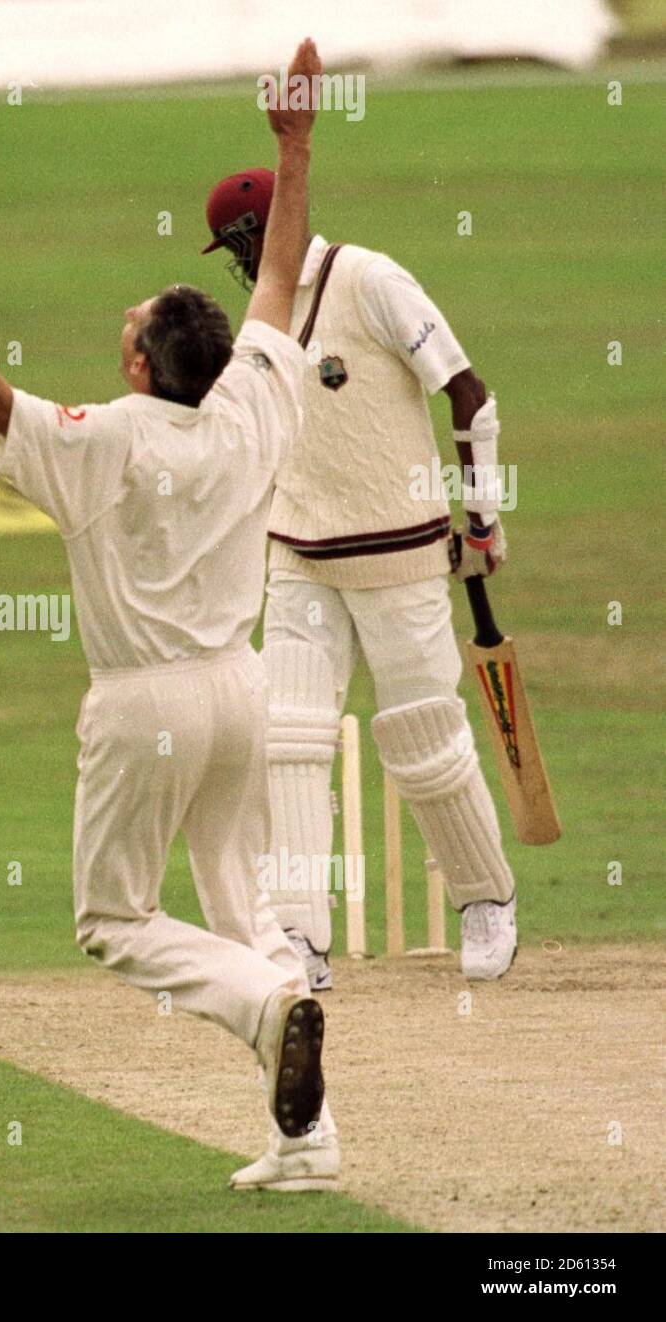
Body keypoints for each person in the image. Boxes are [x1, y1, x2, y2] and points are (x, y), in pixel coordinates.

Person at [0, 39, 341, 1192]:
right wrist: (294, 147)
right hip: (242, 688)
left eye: (125, 324)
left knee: (115, 919)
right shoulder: (251, 406)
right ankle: (310, 1140)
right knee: (241, 901)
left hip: (146, 704)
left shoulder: (112, 437)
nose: (117, 326)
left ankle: (270, 1004)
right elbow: (276, 280)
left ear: (139, 367)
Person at [200, 163, 516, 986]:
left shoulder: (371, 280)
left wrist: (482, 519)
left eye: (244, 239)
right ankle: (299, 934)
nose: (240, 257)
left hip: (400, 553)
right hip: (299, 553)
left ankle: (485, 898)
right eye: (232, 246)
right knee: (290, 736)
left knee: (424, 741)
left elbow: (470, 397)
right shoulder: (261, 318)